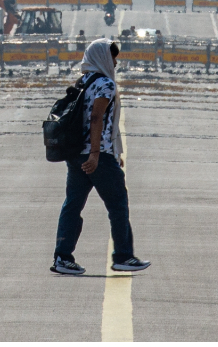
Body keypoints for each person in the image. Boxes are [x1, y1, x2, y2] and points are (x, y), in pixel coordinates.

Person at [50, 38, 150, 276]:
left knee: (73, 205)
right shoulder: (105, 84)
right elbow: (97, 118)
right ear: (104, 58)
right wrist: (97, 153)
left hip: (75, 154)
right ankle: (123, 256)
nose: (115, 62)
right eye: (113, 57)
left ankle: (62, 257)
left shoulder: (82, 82)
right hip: (96, 155)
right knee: (118, 203)